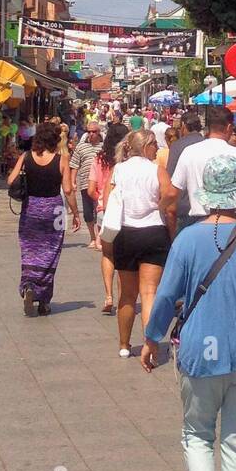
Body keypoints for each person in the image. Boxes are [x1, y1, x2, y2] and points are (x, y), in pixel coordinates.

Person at [142, 156, 236, 471]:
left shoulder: (186, 239)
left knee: (197, 434)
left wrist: (152, 338)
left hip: (200, 351)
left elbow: (166, 295)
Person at [104, 130, 170, 357]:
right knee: (149, 292)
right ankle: (150, 345)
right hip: (153, 231)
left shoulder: (118, 170)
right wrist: (161, 210)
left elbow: (107, 201)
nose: (157, 149)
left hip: (126, 234)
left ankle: (124, 345)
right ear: (146, 146)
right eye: (154, 145)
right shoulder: (157, 170)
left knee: (127, 294)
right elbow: (170, 197)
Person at [7, 121, 80, 316]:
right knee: (51, 252)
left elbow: (11, 180)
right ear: (54, 140)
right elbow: (67, 190)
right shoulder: (61, 159)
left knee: (29, 250)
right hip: (54, 210)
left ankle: (29, 285)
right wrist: (75, 213)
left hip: (30, 208)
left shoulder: (26, 156)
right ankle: (44, 299)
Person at [163, 106, 236, 233]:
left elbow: (172, 193)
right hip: (231, 221)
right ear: (229, 127)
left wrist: (160, 207)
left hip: (197, 222)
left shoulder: (189, 152)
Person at [89, 122, 128, 307]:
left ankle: (108, 296)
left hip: (104, 212)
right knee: (122, 257)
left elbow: (90, 189)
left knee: (107, 255)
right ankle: (121, 299)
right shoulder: (127, 161)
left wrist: (100, 200)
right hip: (124, 213)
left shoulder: (99, 159)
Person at [69, 118, 104, 247]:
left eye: (94, 131)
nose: (91, 134)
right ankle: (93, 237)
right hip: (85, 183)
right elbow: (74, 165)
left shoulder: (104, 146)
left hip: (101, 185)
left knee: (100, 211)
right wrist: (73, 181)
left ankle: (99, 238)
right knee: (88, 213)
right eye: (89, 131)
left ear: (99, 132)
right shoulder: (81, 147)